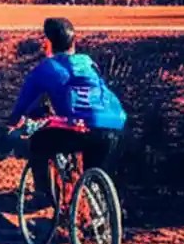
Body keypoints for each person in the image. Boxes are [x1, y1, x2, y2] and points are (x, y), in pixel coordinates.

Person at [7, 18, 127, 216]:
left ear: (48, 42)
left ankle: (43, 196)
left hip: (81, 128)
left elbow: (24, 103)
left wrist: (13, 123)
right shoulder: (88, 63)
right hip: (114, 124)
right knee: (94, 172)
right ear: (74, 42)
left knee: (39, 142)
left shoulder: (46, 68)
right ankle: (105, 214)